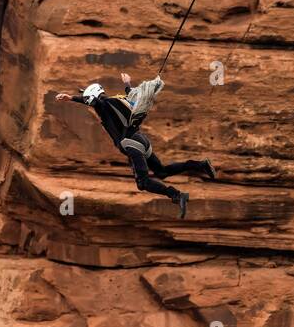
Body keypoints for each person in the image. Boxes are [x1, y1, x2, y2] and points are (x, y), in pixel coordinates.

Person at [56, 72, 215, 219]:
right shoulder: (119, 100)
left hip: (131, 144)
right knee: (162, 171)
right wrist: (127, 83)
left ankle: (177, 195)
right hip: (141, 140)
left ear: (92, 96)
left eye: (87, 97)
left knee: (143, 183)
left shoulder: (103, 104)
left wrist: (71, 98)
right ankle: (201, 165)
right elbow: (131, 95)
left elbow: (93, 100)